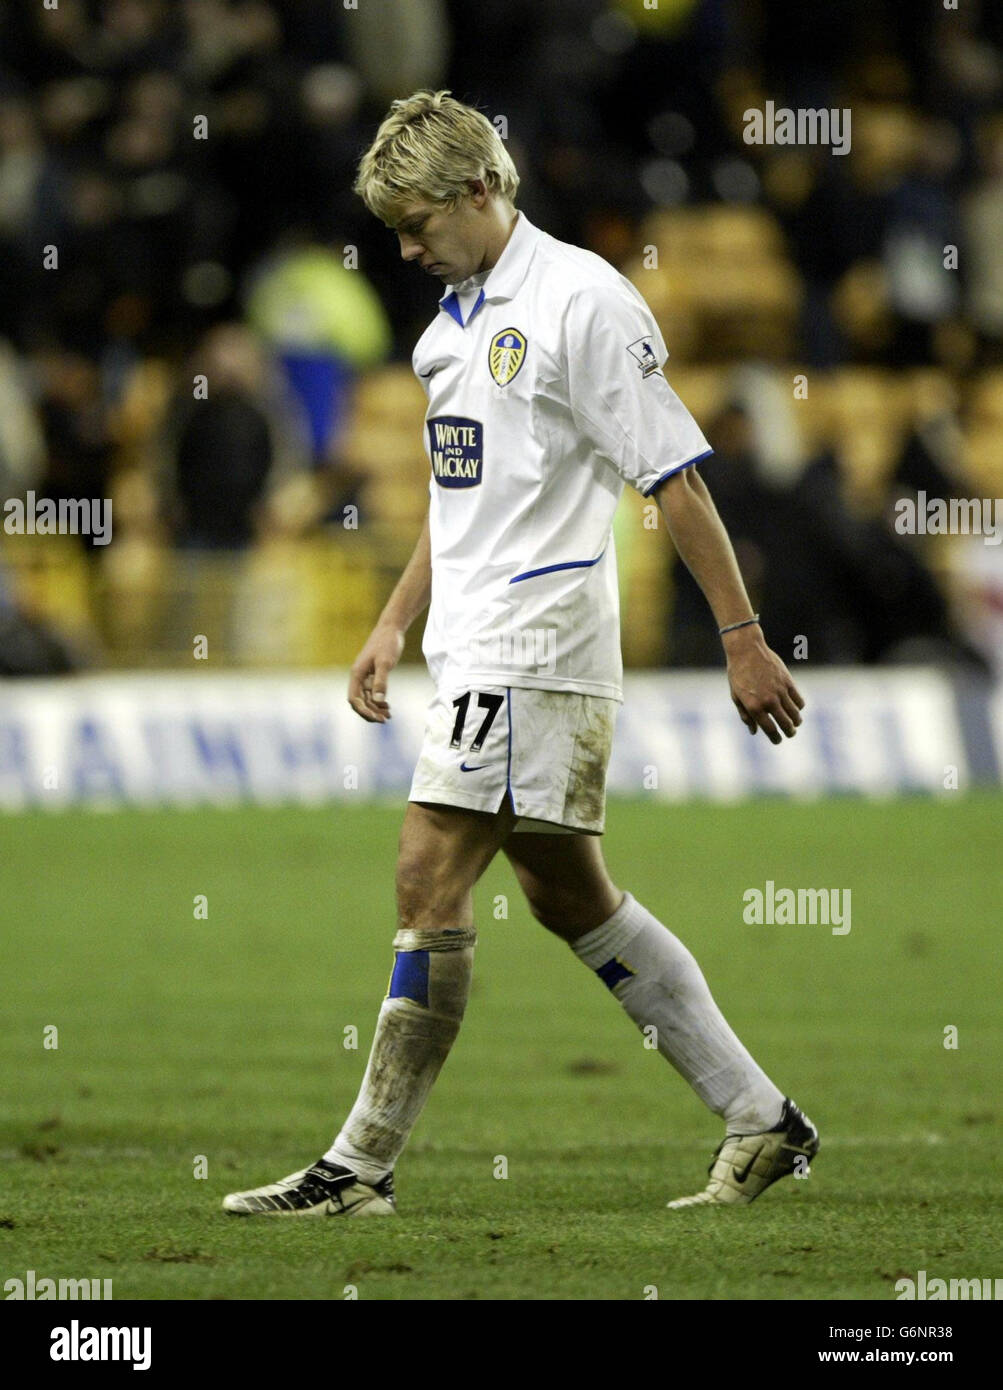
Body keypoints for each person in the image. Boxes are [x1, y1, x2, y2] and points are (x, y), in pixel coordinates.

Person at [223, 91, 818, 1219]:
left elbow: (674, 478)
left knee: (424, 875)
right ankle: (761, 1119)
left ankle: (357, 1168)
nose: (402, 247)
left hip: (536, 646)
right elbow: (462, 510)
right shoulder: (448, 326)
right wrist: (393, 622)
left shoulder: (582, 301)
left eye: (415, 221)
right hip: (471, 645)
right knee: (571, 898)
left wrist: (743, 639)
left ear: (481, 191)